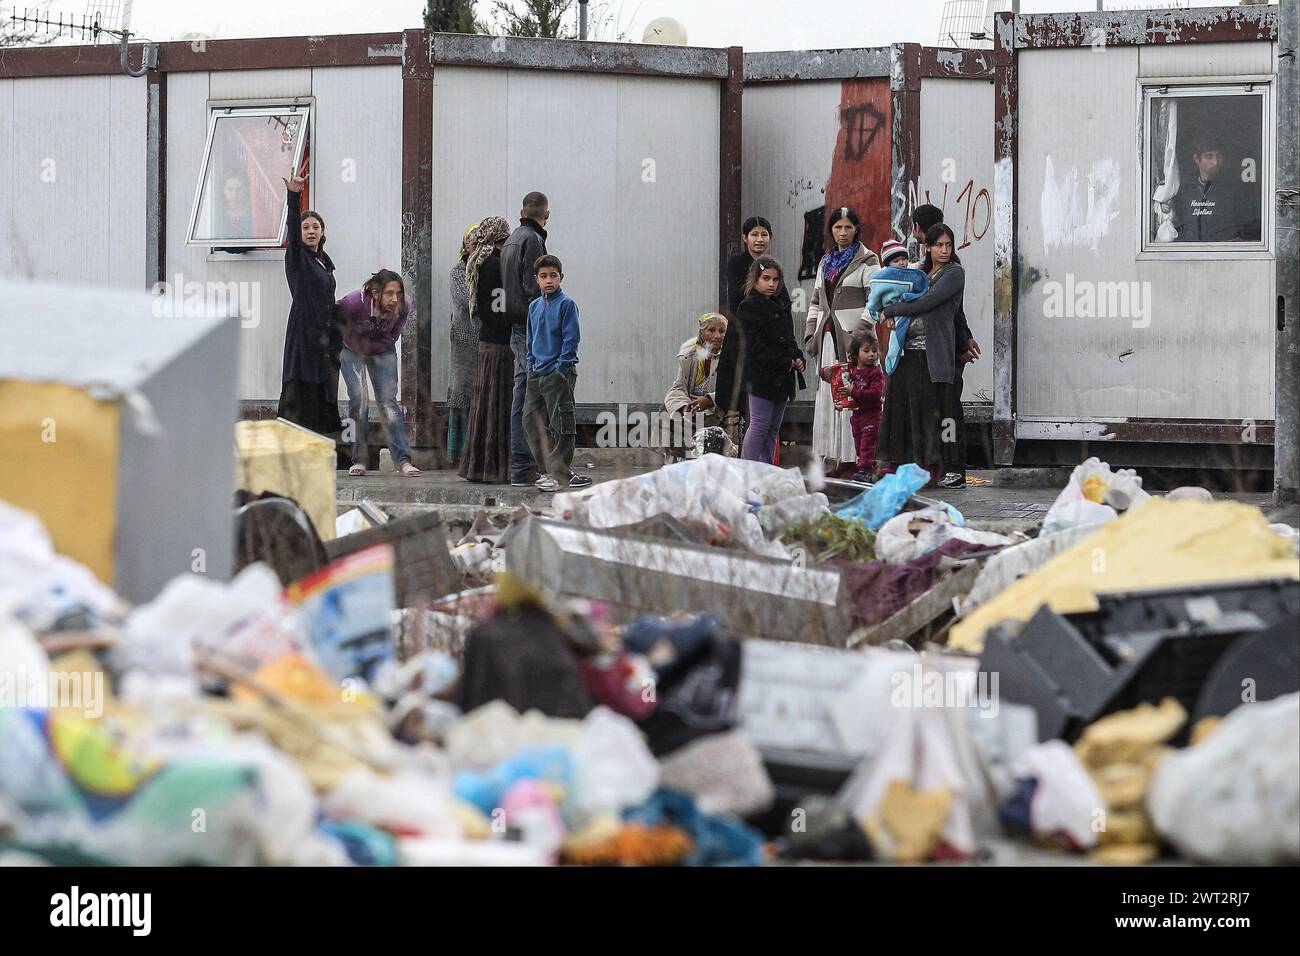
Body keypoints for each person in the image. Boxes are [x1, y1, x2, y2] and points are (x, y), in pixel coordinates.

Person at [876, 223, 965, 489]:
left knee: (938, 412)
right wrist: (886, 309)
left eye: (948, 245)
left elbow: (929, 301)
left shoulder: (954, 273)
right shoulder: (920, 271)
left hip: (935, 353)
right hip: (907, 351)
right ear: (929, 247)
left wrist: (892, 310)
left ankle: (947, 468)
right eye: (939, 245)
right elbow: (890, 286)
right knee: (906, 410)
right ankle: (906, 466)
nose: (945, 250)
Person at [802, 205, 881, 476]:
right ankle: (831, 457)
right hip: (826, 339)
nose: (843, 233)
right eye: (838, 227)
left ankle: (853, 460)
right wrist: (810, 333)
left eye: (848, 227)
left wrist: (860, 334)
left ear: (856, 229)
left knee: (853, 396)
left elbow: (876, 300)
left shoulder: (868, 260)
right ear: (831, 230)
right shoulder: (826, 262)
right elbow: (815, 300)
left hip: (854, 343)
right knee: (829, 395)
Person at [335, 269, 420, 478]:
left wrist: (377, 346)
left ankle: (402, 460)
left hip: (382, 348)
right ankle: (359, 459)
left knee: (388, 402)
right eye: (389, 293)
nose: (395, 299)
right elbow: (337, 322)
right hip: (352, 349)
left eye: (398, 293)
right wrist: (357, 345)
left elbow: (394, 334)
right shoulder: (353, 303)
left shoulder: (404, 305)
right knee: (359, 399)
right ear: (375, 293)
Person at [277, 172, 343, 437]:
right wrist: (294, 198)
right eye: (306, 227)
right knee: (302, 387)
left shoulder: (324, 263)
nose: (311, 231)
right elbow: (292, 232)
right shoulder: (298, 259)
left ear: (323, 231)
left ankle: (327, 450)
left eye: (316, 227)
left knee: (324, 390)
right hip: (303, 335)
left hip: (324, 340)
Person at [717, 216, 790, 451]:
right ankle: (745, 464)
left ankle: (764, 466)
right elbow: (741, 299)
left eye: (764, 234)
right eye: (754, 234)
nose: (759, 239)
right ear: (745, 238)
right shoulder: (737, 264)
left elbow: (785, 307)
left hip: (774, 350)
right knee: (748, 412)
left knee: (769, 421)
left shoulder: (774, 267)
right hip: (745, 344)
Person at [523, 255, 591, 493]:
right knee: (530, 420)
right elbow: (530, 338)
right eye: (543, 276)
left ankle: (559, 471)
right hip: (536, 374)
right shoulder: (534, 306)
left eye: (553, 275)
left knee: (562, 422)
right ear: (536, 279)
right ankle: (545, 470)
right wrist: (531, 364)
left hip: (558, 374)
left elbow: (571, 339)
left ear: (561, 277)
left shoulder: (566, 305)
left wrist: (562, 369)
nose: (549, 280)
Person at [458, 217, 514, 484]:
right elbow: (499, 307)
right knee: (499, 405)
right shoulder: (496, 265)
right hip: (500, 346)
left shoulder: (478, 263)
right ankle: (498, 467)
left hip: (486, 343)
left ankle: (479, 466)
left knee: (484, 406)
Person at [500, 191, 549, 487]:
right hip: (527, 326)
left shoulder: (512, 239)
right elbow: (534, 288)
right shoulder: (533, 240)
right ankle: (523, 465)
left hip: (515, 324)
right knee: (528, 393)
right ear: (547, 214)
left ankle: (523, 464)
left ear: (522, 210)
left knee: (525, 390)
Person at [737, 257, 805, 464]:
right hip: (761, 376)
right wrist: (783, 361)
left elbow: (789, 338)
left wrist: (797, 357)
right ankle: (746, 469)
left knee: (773, 427)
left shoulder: (781, 305)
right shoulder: (748, 307)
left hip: (782, 377)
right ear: (755, 279)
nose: (771, 284)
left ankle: (767, 469)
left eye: (775, 279)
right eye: (766, 278)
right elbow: (753, 346)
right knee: (759, 423)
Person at [1172, 136, 1252, 242]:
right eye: (1209, 156)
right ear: (1196, 159)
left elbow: (1245, 227)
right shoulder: (1183, 190)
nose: (1215, 162)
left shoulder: (1233, 191)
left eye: (1219, 156)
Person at [447, 221, 481, 468]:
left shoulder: (494, 268)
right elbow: (466, 298)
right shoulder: (458, 272)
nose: (477, 247)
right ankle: (458, 453)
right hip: (462, 341)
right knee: (461, 395)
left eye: (481, 243)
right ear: (465, 246)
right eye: (473, 243)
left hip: (487, 340)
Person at [834, 329, 885, 482]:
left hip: (872, 416)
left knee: (867, 445)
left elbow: (875, 394)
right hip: (857, 416)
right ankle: (870, 468)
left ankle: (864, 470)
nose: (872, 354)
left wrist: (854, 391)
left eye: (874, 351)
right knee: (859, 444)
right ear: (856, 354)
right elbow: (832, 376)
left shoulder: (875, 373)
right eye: (867, 351)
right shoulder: (852, 371)